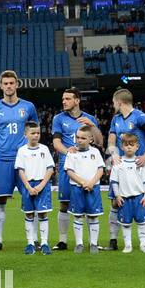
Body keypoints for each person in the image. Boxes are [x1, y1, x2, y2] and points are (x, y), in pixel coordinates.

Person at [0, 70, 39, 251]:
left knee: (31, 197)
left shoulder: (28, 107)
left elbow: (35, 130)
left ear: (17, 84)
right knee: (0, 200)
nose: (8, 86)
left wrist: (30, 151)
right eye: (5, 83)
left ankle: (34, 239)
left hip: (25, 160)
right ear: (1, 86)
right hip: (3, 161)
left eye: (11, 83)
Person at [106, 89, 145, 248]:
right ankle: (113, 240)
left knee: (144, 202)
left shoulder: (139, 116)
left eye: (113, 102)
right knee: (116, 203)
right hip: (120, 165)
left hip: (137, 166)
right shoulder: (115, 119)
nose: (112, 105)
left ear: (119, 102)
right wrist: (113, 153)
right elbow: (111, 139)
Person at [51, 88, 102, 249]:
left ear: (77, 100)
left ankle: (93, 242)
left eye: (67, 98)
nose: (64, 101)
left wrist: (93, 126)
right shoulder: (58, 119)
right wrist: (69, 152)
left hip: (88, 167)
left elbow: (99, 142)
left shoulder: (90, 119)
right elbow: (56, 142)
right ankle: (63, 241)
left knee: (89, 205)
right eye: (63, 98)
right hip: (69, 165)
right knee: (64, 203)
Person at [14, 122, 55, 255]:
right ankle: (30, 243)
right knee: (29, 214)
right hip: (28, 185)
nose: (36, 135)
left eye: (38, 133)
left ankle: (44, 243)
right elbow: (20, 170)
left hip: (42, 185)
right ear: (25, 134)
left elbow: (50, 168)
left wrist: (41, 185)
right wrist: (27, 186)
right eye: (33, 133)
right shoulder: (22, 150)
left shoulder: (44, 149)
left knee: (43, 213)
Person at [65, 126, 106, 253]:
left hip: (93, 188)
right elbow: (69, 171)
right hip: (77, 188)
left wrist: (92, 183)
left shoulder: (95, 152)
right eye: (77, 137)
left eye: (83, 138)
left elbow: (100, 169)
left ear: (91, 139)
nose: (79, 140)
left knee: (93, 216)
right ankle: (79, 244)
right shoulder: (72, 153)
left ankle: (93, 243)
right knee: (78, 216)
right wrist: (83, 183)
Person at [110, 133, 145, 253]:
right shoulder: (118, 163)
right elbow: (114, 182)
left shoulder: (140, 162)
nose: (129, 147)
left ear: (137, 147)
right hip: (124, 198)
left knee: (142, 222)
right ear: (122, 147)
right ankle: (127, 245)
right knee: (126, 223)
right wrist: (117, 195)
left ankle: (143, 244)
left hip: (139, 198)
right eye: (126, 144)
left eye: (132, 145)